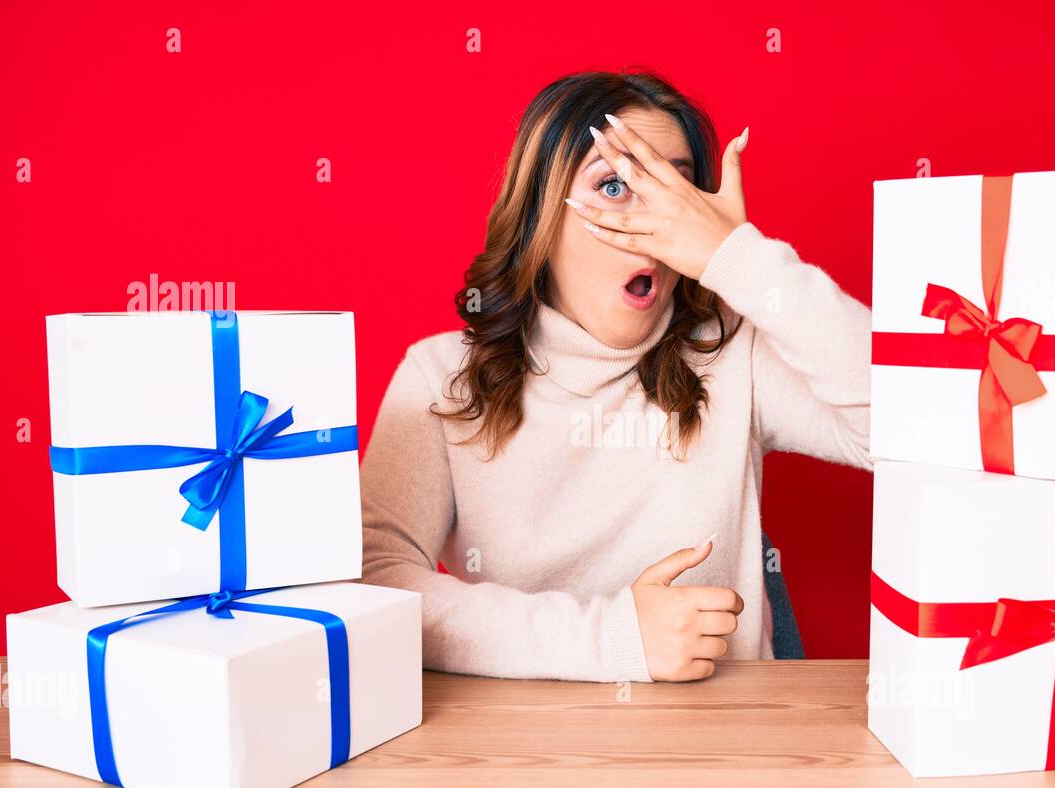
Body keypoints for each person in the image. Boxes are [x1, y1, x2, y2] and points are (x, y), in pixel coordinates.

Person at [360, 70, 872, 683]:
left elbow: (914, 419)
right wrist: (612, 640)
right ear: (542, 218)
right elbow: (378, 582)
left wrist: (736, 256)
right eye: (613, 185)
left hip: (728, 748)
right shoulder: (442, 377)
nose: (655, 227)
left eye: (677, 195)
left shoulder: (736, 354)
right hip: (520, 750)